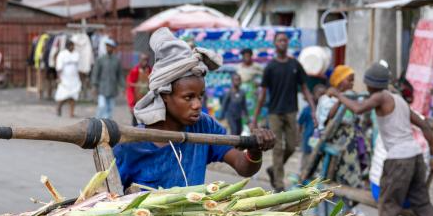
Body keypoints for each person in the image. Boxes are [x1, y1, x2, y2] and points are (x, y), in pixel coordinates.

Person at [120, 27, 275, 190]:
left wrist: (255, 151)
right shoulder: (132, 145)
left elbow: (243, 166)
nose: (197, 105)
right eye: (188, 97)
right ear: (165, 95)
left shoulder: (204, 126)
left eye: (200, 96)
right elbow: (110, 195)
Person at [332, 63, 433, 216]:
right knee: (421, 201)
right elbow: (425, 126)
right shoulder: (399, 100)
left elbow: (358, 109)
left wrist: (338, 95)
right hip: (415, 156)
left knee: (387, 202)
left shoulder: (380, 96)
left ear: (370, 83)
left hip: (398, 159)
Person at [251, 32, 317, 191]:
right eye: (280, 40)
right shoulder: (270, 67)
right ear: (275, 43)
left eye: (285, 40)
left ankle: (274, 170)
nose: (283, 43)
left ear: (288, 43)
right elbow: (262, 94)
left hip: (291, 111)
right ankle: (279, 184)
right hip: (274, 112)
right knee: (277, 148)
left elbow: (305, 88)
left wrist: (313, 110)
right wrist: (255, 118)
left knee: (292, 146)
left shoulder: (295, 65)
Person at [91, 37, 124, 119]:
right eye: (107, 46)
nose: (108, 48)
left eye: (110, 46)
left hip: (112, 88)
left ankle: (107, 124)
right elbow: (95, 73)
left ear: (113, 48)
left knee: (110, 108)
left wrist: (123, 87)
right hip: (102, 87)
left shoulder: (117, 60)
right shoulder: (100, 59)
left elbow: (120, 75)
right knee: (102, 106)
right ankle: (98, 122)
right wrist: (94, 86)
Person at [54, 39, 82, 118]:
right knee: (64, 95)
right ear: (67, 46)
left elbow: (79, 67)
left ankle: (71, 113)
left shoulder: (76, 54)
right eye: (71, 46)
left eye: (73, 46)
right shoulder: (62, 54)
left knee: (74, 95)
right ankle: (59, 107)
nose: (72, 47)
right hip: (65, 78)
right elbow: (59, 67)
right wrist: (59, 77)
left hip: (74, 78)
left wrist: (80, 77)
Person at [126, 53, 151, 124]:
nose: (144, 62)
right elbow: (130, 87)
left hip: (147, 101)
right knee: (135, 121)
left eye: (146, 60)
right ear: (139, 60)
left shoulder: (150, 71)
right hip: (137, 101)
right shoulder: (134, 71)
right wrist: (131, 104)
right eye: (143, 60)